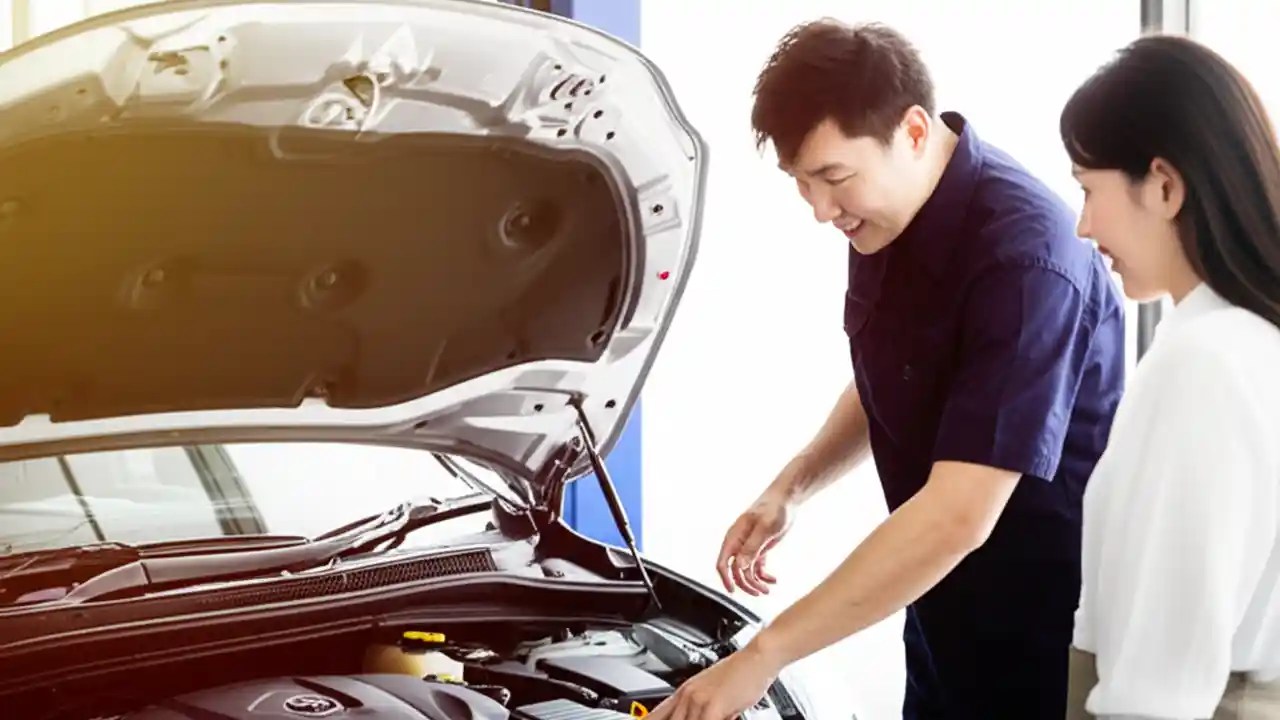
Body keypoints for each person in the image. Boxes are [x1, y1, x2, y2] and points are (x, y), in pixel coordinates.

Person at [646, 18, 1127, 720]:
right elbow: (900, 369)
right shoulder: (885, 215)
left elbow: (959, 516)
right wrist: (792, 486)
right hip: (937, 609)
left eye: (833, 178)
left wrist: (764, 655)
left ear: (912, 131)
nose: (818, 209)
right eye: (800, 182)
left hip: (1041, 639)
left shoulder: (1026, 264)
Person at [1058, 35, 1280, 720]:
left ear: (1163, 183)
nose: (1084, 225)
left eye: (1090, 190)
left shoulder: (1203, 365)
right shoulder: (1249, 344)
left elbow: (1156, 693)